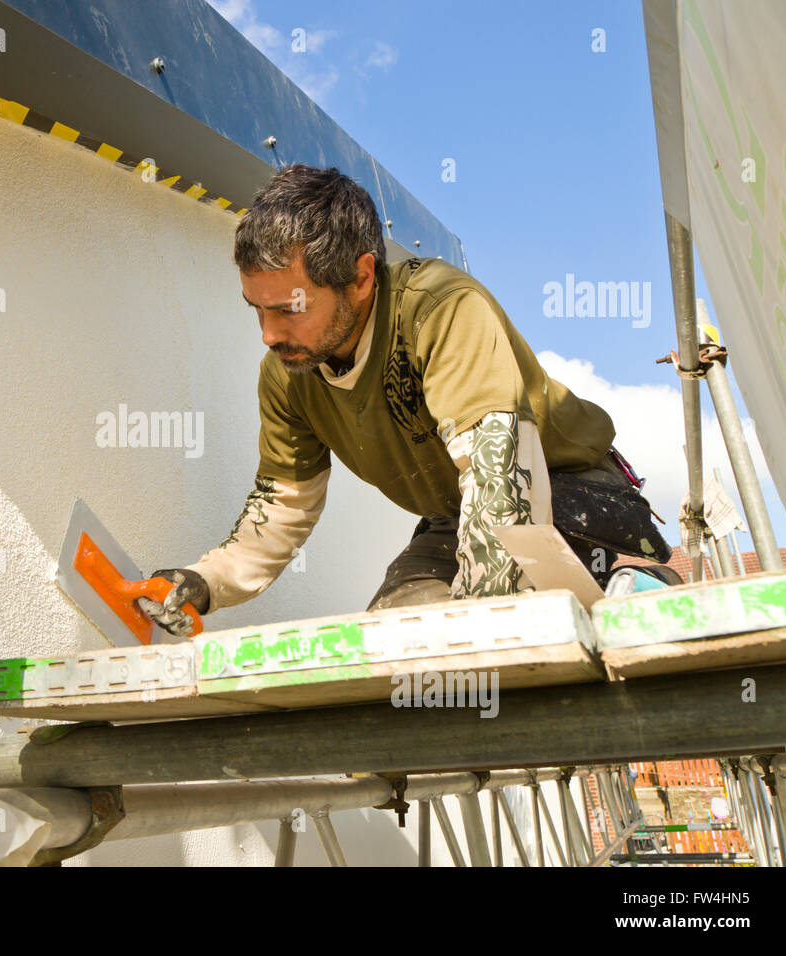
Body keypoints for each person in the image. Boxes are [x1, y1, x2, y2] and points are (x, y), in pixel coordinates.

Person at [138, 164, 672, 636]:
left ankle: (639, 583)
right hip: (459, 516)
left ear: (362, 276)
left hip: (569, 491)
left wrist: (479, 630)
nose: (268, 334)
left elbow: (501, 475)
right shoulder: (287, 375)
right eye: (257, 309)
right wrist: (205, 582)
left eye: (288, 309)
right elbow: (283, 506)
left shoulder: (440, 308)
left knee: (536, 634)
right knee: (396, 643)